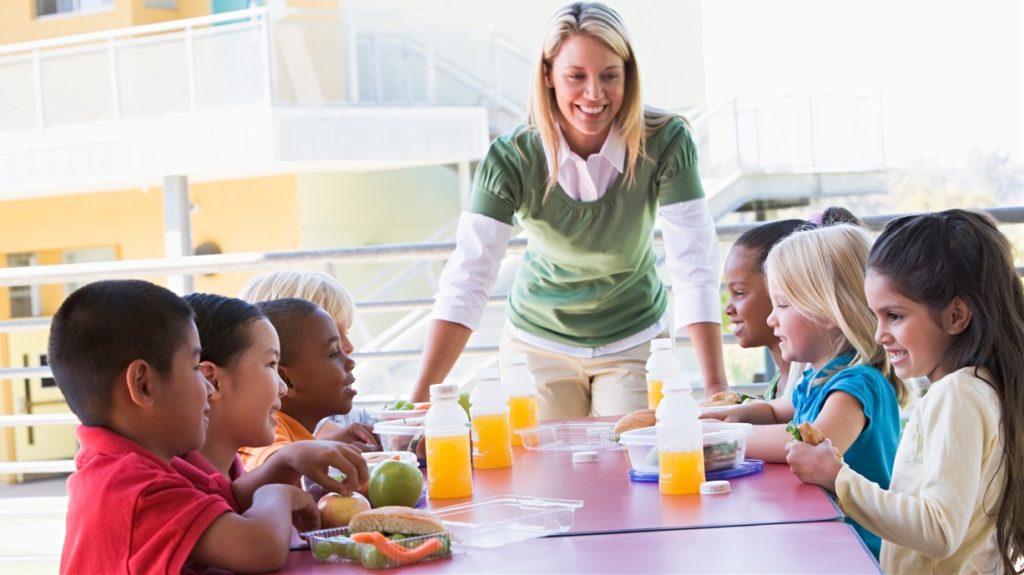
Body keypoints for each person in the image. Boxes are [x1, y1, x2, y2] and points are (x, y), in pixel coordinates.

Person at [412, 1, 728, 418]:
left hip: (634, 339)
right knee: (542, 473)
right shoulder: (512, 158)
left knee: (630, 466)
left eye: (609, 76)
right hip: (537, 344)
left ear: (628, 76)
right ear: (547, 75)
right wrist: (419, 399)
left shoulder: (666, 141)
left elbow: (693, 264)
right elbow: (469, 277)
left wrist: (716, 386)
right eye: (576, 76)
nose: (594, 94)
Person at [786, 209, 1024, 573]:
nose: (880, 334)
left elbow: (939, 530)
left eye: (894, 316)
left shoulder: (959, 395)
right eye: (875, 316)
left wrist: (837, 478)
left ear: (956, 316)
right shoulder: (979, 388)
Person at [51, 280, 317, 574]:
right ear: (144, 385)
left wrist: (291, 459)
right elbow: (259, 547)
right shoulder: (133, 489)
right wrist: (276, 494)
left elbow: (228, 501)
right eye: (193, 367)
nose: (206, 385)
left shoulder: (150, 468)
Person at [706, 224, 913, 557]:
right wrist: (715, 416)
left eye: (783, 305)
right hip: (820, 538)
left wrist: (727, 435)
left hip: (858, 551)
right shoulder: (818, 379)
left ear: (827, 312)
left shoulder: (857, 384)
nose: (772, 320)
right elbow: (776, 411)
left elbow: (807, 442)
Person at [182, 292, 368, 511]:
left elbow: (234, 496)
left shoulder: (231, 468)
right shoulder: (180, 487)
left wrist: (292, 458)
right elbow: (261, 543)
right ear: (212, 380)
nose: (281, 388)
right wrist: (285, 483)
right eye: (271, 365)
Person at [723, 207, 864, 402]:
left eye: (739, 292)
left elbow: (812, 432)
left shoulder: (844, 386)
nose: (727, 309)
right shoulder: (799, 382)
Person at [240, 270, 379, 445]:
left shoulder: (320, 421)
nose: (349, 349)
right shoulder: (265, 433)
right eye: (333, 348)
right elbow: (279, 457)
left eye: (346, 332)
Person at [239, 298, 364, 471]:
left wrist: (336, 445)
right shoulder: (266, 430)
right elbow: (274, 462)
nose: (350, 362)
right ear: (286, 381)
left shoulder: (295, 431)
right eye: (334, 352)